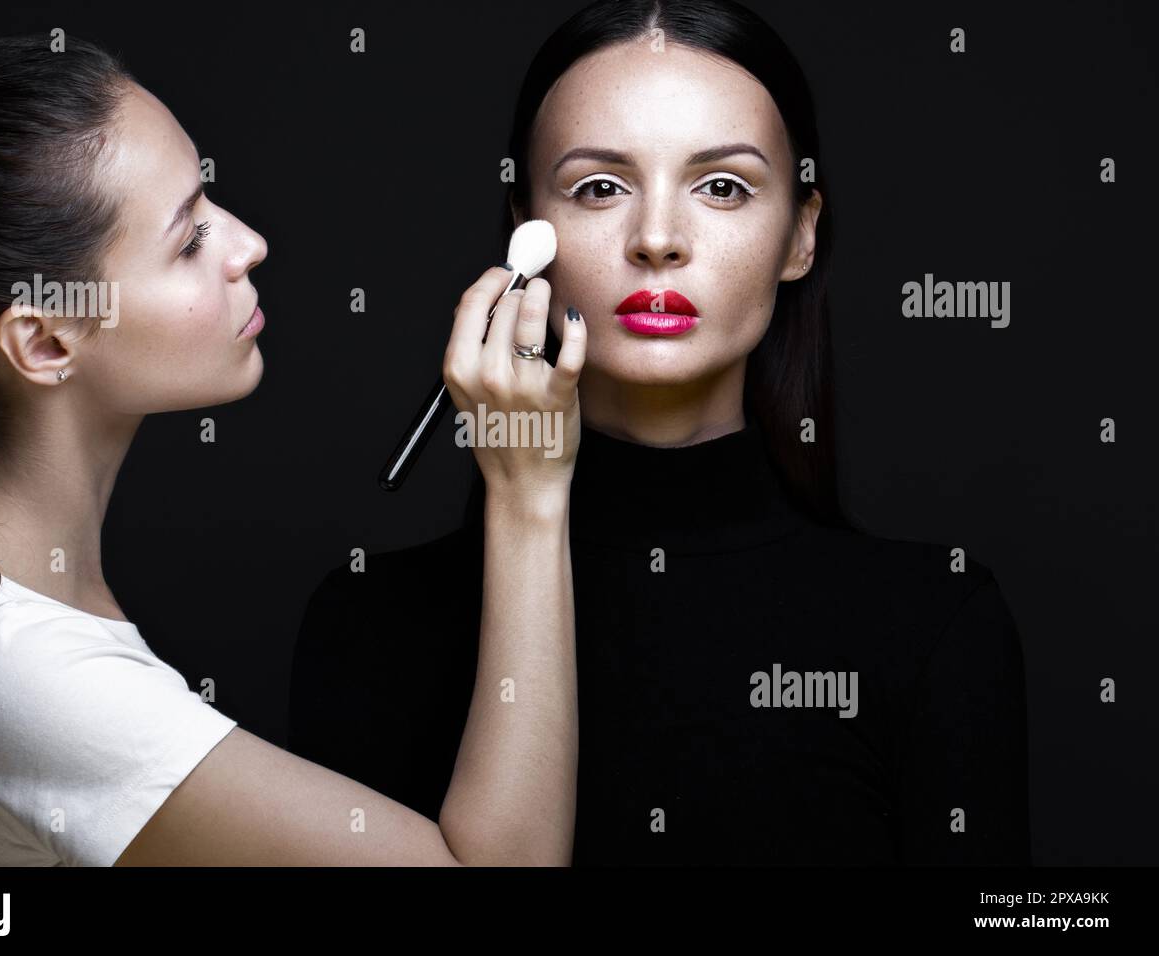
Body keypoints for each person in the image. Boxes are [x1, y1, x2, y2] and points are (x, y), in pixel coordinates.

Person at [287, 0, 1032, 865]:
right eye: (600, 187)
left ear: (801, 233)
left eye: (723, 186)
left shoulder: (935, 624)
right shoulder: (370, 626)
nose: (657, 241)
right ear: (523, 232)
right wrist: (524, 504)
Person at [0, 34, 587, 866]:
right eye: (189, 240)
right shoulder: (35, 680)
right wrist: (528, 496)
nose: (247, 245)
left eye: (211, 205)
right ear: (48, 341)